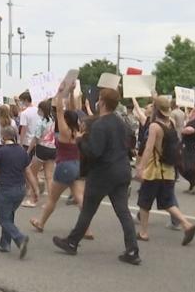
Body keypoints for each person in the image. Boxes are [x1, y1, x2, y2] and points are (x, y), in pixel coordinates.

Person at [52, 87, 141, 265]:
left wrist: (80, 140)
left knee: (88, 209)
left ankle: (72, 242)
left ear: (102, 102)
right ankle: (132, 250)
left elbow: (94, 152)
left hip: (103, 173)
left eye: (99, 99)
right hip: (122, 170)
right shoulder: (120, 122)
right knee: (123, 212)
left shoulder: (101, 124)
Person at [135, 96, 195, 245]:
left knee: (144, 202)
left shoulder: (154, 126)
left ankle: (143, 232)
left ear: (156, 109)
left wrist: (140, 167)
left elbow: (149, 148)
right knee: (168, 201)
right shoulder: (171, 122)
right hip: (169, 169)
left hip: (154, 170)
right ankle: (186, 224)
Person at [30, 94, 89, 237]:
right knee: (80, 198)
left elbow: (60, 111)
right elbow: (73, 112)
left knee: (52, 199)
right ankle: (87, 229)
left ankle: (41, 222)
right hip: (77, 165)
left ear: (66, 120)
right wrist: (72, 91)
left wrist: (62, 93)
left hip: (65, 166)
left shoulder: (65, 132)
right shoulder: (78, 132)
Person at [0, 125, 32, 258]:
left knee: (3, 217)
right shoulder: (22, 151)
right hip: (20, 189)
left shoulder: (1, 152)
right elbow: (28, 172)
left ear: (3, 137)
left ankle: (20, 238)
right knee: (9, 214)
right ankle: (4, 244)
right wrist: (35, 189)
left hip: (6, 189)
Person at [27, 99, 56, 207]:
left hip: (42, 148)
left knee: (32, 173)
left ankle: (33, 199)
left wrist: (28, 150)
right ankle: (50, 201)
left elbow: (35, 138)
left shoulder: (41, 122)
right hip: (52, 148)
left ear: (41, 109)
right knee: (49, 176)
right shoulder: (53, 120)